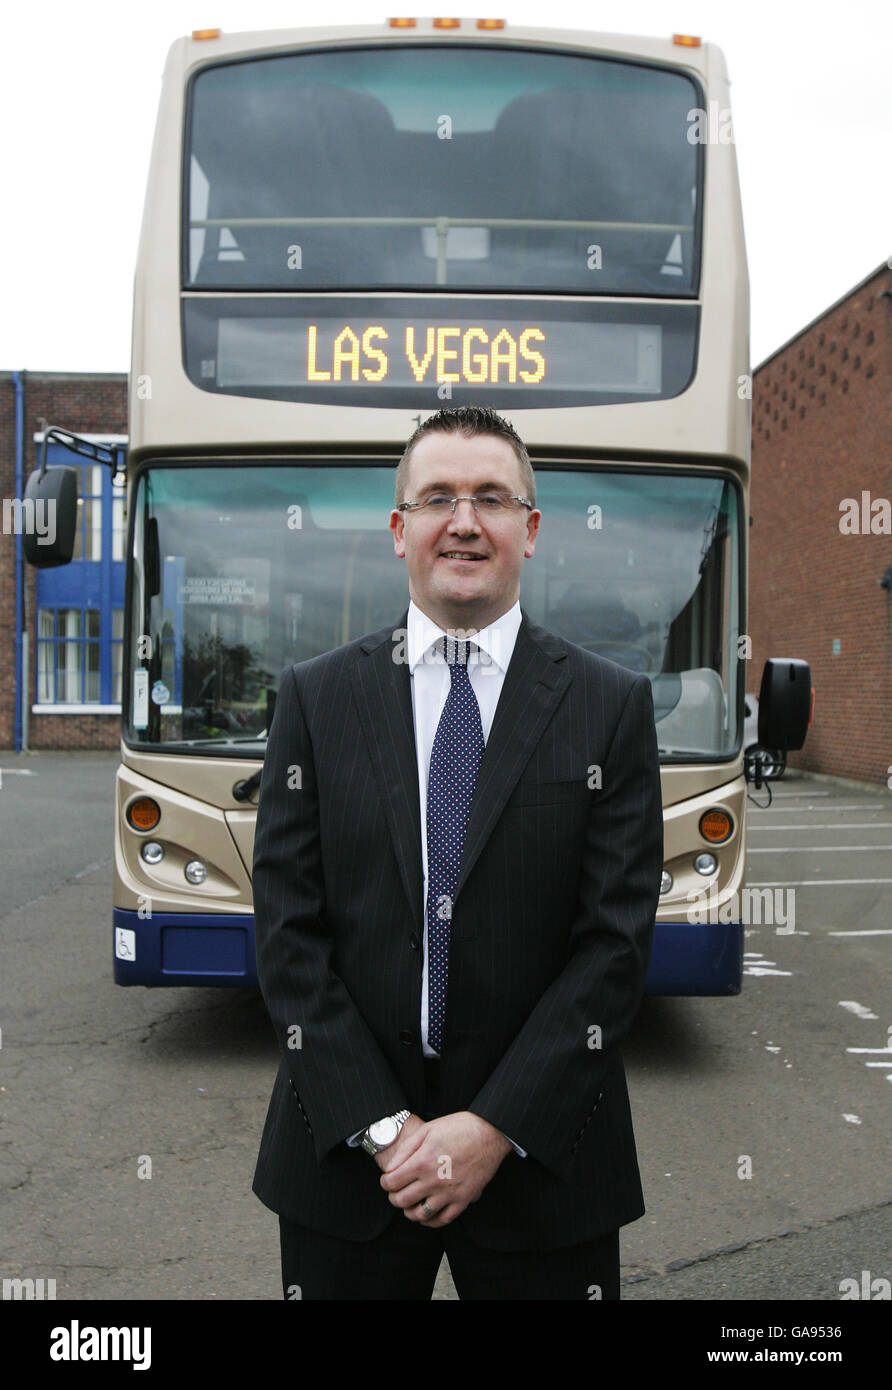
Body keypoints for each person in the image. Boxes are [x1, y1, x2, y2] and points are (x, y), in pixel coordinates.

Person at [251, 404, 663, 1300]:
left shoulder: (612, 707)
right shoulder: (316, 700)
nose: (465, 521)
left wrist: (492, 1128)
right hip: (347, 1163)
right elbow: (288, 931)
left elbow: (614, 947)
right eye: (437, 497)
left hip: (545, 1162)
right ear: (400, 530)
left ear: (532, 528)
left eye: (492, 498)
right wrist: (387, 1127)